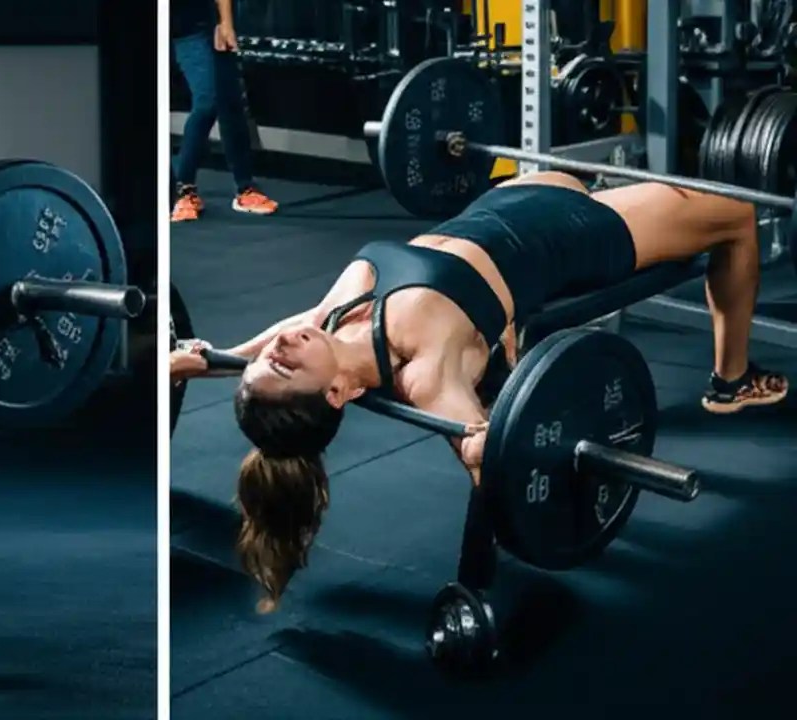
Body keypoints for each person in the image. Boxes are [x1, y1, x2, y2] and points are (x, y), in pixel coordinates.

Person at [170, 172, 788, 611]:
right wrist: (483, 456)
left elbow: (273, 337)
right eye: (282, 366)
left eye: (269, 359)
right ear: (338, 393)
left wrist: (200, 363)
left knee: (580, 176)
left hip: (512, 199)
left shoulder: (329, 323)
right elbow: (484, 448)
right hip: (577, 233)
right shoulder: (424, 371)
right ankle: (731, 381)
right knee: (737, 217)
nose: (279, 347)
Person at [171, 0, 278, 222]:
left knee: (229, 102)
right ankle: (183, 188)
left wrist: (226, 24)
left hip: (204, 25)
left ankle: (245, 188)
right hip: (177, 31)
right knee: (208, 101)